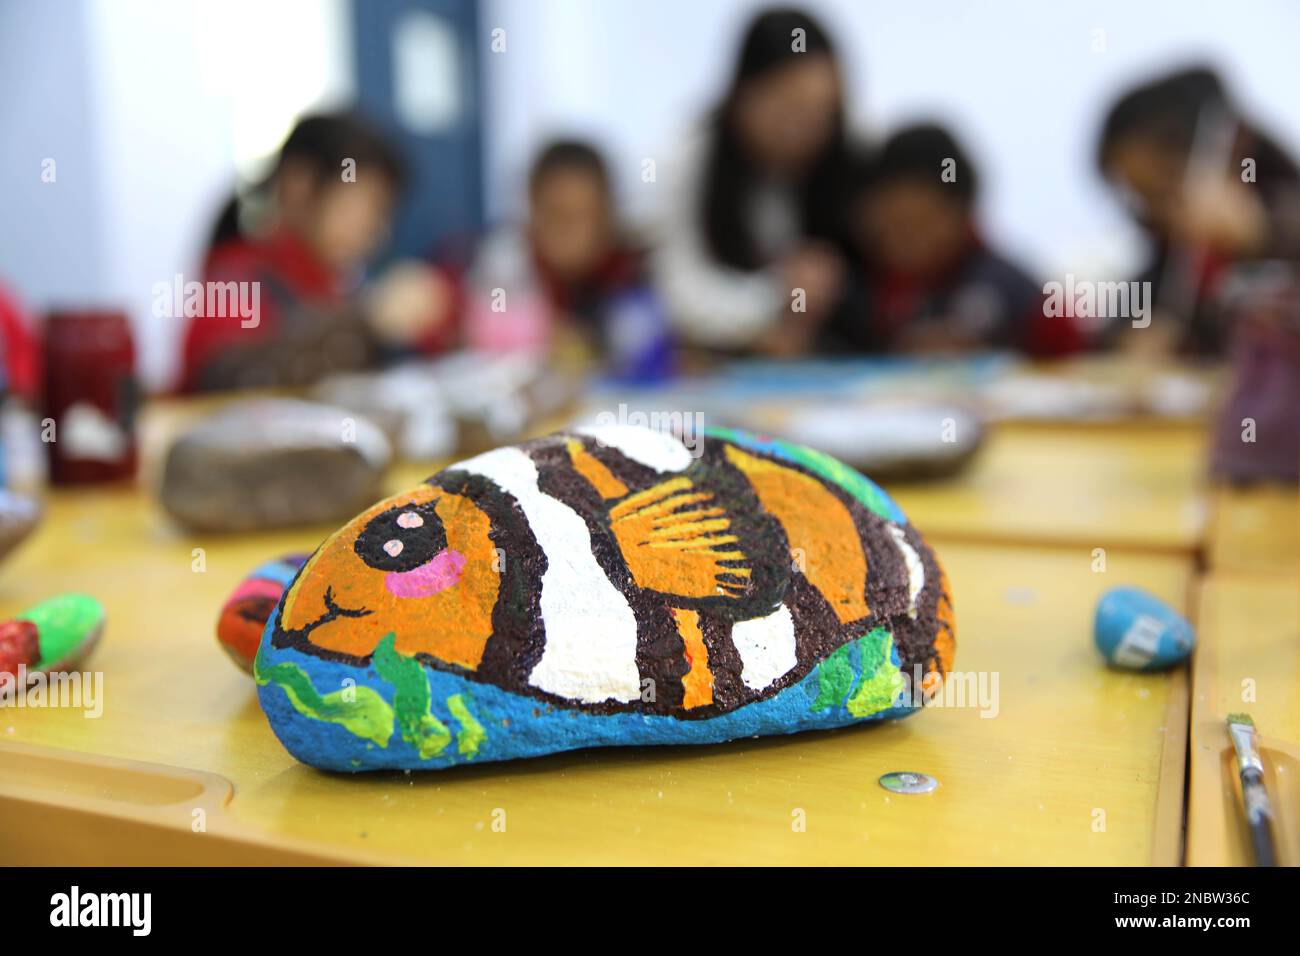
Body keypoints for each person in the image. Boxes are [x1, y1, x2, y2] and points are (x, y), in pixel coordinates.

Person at [654, 7, 853, 357]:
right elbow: (678, 295)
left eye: (825, 112)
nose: (810, 129)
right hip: (723, 365)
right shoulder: (688, 158)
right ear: (743, 95)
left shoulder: (846, 147)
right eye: (791, 109)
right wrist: (778, 292)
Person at [178, 112, 417, 391]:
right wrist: (365, 323)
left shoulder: (334, 286)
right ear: (299, 185)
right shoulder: (234, 279)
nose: (374, 229)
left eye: (382, 214)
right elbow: (227, 379)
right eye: (363, 206)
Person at [824, 123, 1080, 356]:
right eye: (892, 226)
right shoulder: (853, 291)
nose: (906, 241)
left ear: (963, 214)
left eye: (921, 223)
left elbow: (1078, 355)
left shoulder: (1014, 288)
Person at [1097, 65, 1300, 356]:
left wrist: (1263, 229)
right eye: (1141, 201)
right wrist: (1131, 333)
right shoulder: (1174, 256)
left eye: (1163, 192)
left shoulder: (1282, 214)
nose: (1156, 215)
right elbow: (1137, 310)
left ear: (1232, 146)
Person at [457, 140, 673, 381]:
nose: (571, 233)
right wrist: (545, 338)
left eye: (586, 216)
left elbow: (650, 352)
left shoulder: (627, 271)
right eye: (558, 216)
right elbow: (485, 344)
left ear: (608, 216)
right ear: (532, 210)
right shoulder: (506, 263)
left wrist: (597, 344)